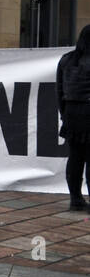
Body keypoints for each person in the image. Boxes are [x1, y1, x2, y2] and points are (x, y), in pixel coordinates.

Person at [59, 25, 90, 210]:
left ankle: (75, 199)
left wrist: (65, 115)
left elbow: (59, 91)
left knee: (75, 157)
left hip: (72, 112)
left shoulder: (67, 59)